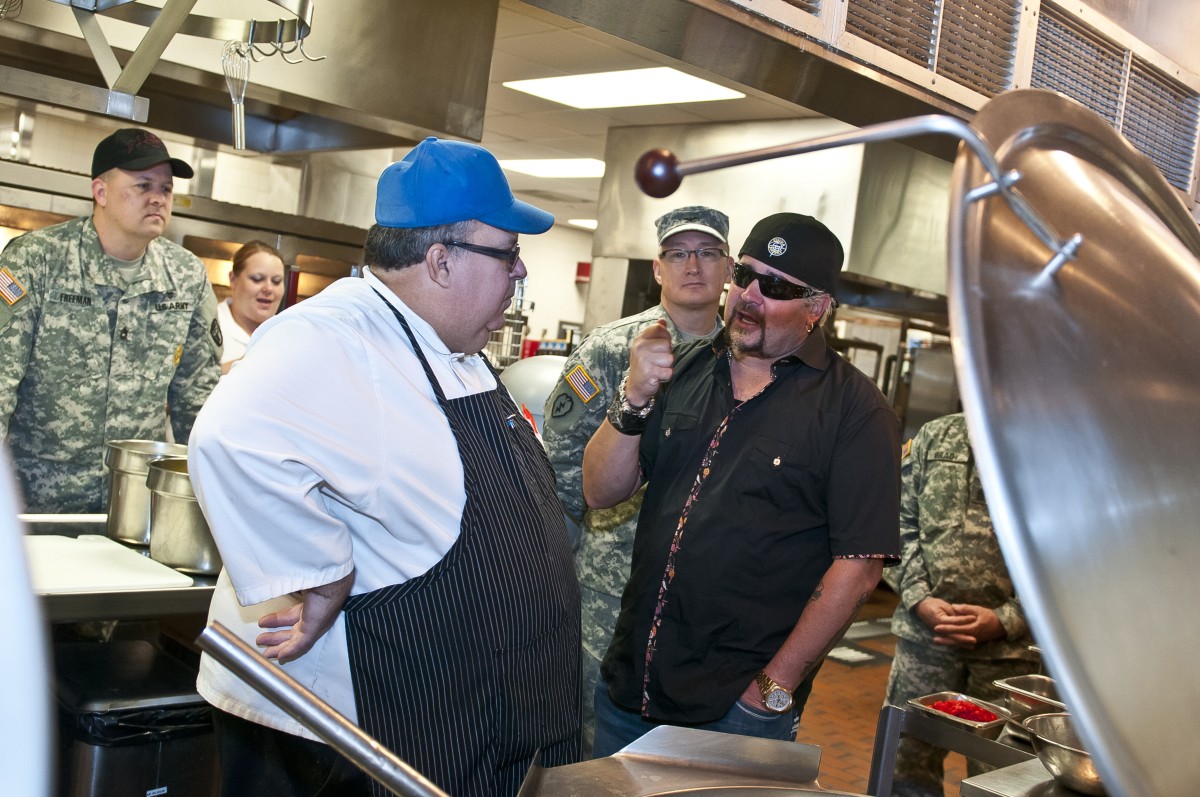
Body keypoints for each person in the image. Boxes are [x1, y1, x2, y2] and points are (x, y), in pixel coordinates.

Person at [189, 136, 580, 797]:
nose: (518, 275)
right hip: (332, 734)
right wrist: (321, 568)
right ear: (442, 261)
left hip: (463, 725)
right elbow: (226, 438)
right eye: (509, 254)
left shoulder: (451, 346)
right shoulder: (337, 333)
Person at [582, 212, 901, 757]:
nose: (749, 296)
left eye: (775, 287)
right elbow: (600, 492)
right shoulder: (686, 370)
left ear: (816, 309)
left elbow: (860, 566)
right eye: (745, 276)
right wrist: (632, 398)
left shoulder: (855, 409)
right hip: (629, 690)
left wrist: (771, 690)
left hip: (735, 711)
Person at [543, 204, 731, 756]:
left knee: (681, 760)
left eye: (708, 252)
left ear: (728, 268)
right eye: (678, 254)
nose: (692, 266)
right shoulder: (610, 349)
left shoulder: (745, 357)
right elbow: (558, 468)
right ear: (657, 267)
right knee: (591, 744)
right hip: (608, 590)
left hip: (700, 598)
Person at [0, 127, 221, 513]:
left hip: (133, 510)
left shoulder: (186, 276)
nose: (158, 198)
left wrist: (210, 504)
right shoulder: (36, 260)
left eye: (166, 189)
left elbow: (198, 403)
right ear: (100, 192)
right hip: (33, 506)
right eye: (142, 185)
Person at [883, 412, 1037, 797]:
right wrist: (918, 598)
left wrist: (1009, 618)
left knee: (1002, 776)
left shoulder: (1047, 445)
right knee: (906, 765)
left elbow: (1070, 548)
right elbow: (897, 523)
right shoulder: (933, 437)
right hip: (926, 641)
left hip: (1007, 654)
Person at [217, 240, 285, 374]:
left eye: (276, 281)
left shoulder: (286, 333)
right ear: (233, 279)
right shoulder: (208, 326)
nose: (268, 288)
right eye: (257, 279)